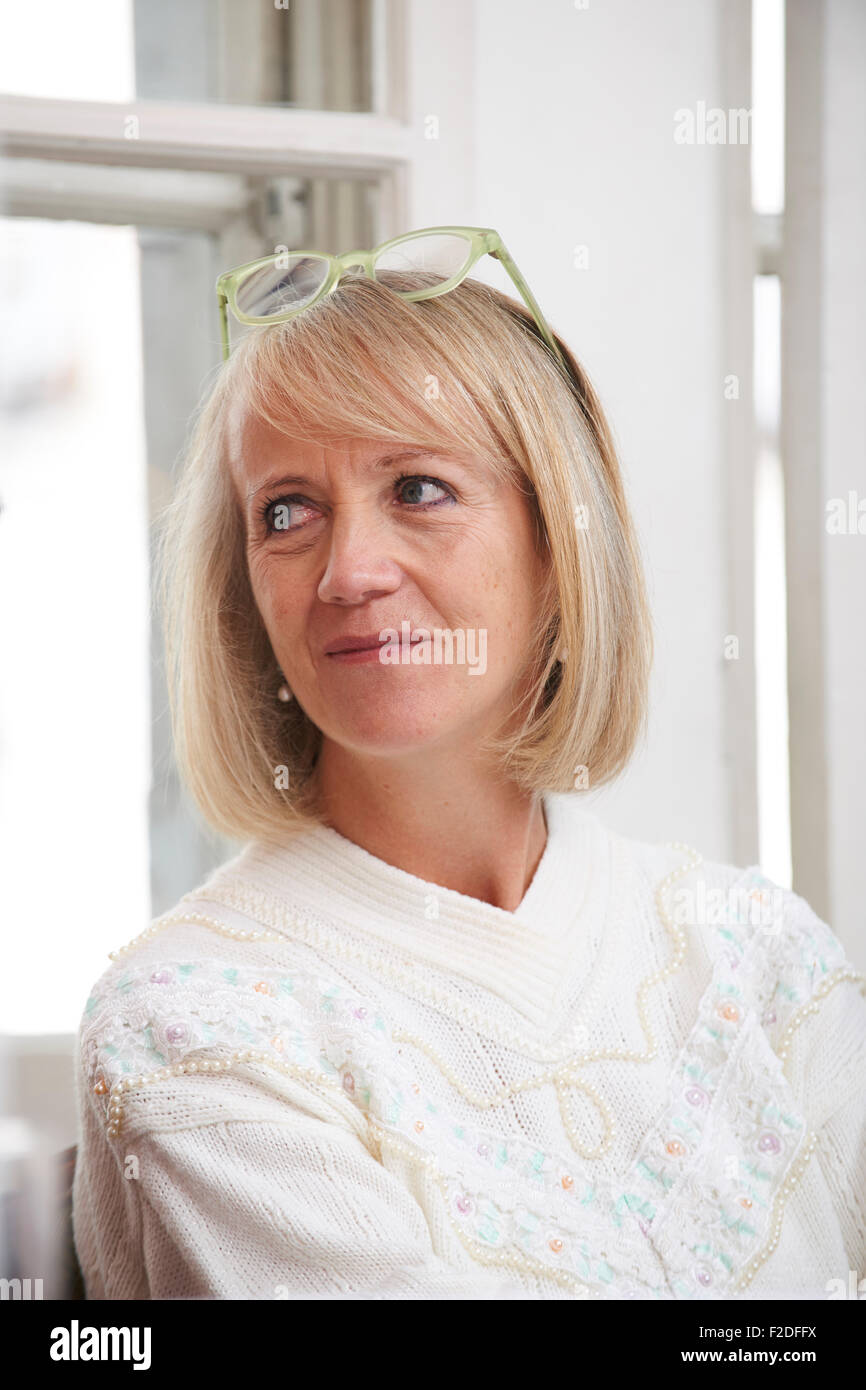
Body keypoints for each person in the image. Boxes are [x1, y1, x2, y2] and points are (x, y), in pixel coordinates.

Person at [72, 228, 866, 1300]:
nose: (349, 570)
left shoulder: (758, 957)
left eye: (418, 488)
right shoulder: (192, 1020)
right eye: (287, 511)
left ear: (558, 547)